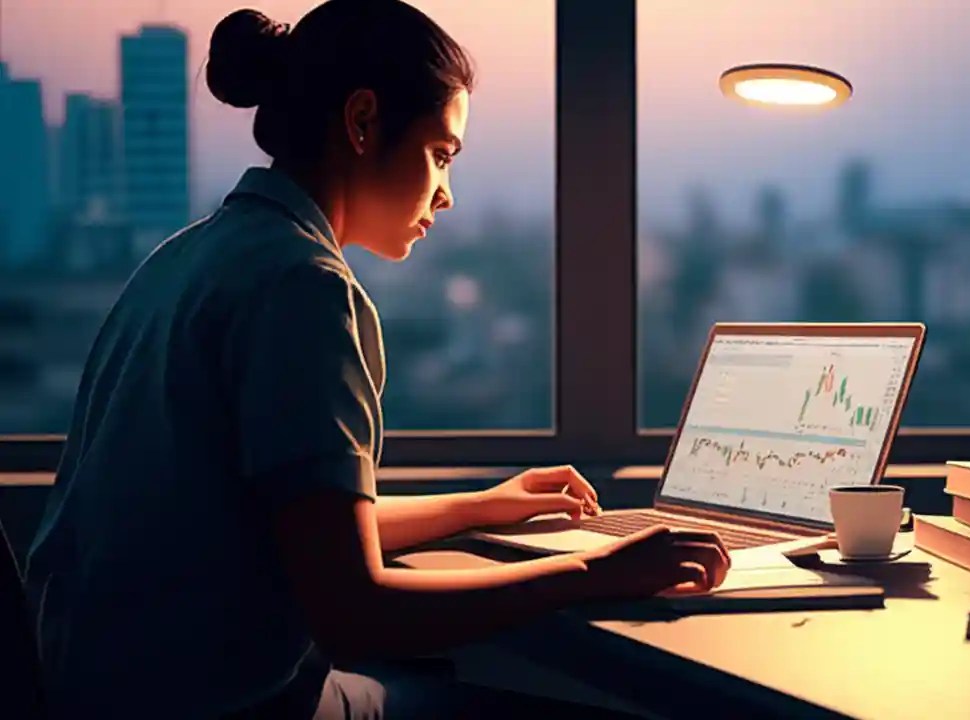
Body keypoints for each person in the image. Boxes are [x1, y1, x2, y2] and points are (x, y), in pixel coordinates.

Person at [23, 1, 730, 718]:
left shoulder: (185, 259)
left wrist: (480, 507)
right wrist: (591, 572)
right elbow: (352, 611)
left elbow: (299, 533)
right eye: (441, 154)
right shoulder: (306, 288)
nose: (447, 193)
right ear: (362, 123)